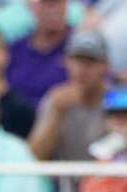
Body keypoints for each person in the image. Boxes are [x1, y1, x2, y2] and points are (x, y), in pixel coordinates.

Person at [27, 28, 109, 161]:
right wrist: (56, 113)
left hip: (105, 179)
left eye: (90, 61)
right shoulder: (55, 99)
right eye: (77, 60)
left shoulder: (117, 100)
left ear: (105, 65)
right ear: (66, 62)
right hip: (65, 180)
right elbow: (34, 158)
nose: (82, 69)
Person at [6, 0, 70, 109]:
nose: (53, 9)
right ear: (32, 6)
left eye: (58, 3)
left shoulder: (79, 48)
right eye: (46, 3)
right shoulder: (15, 50)